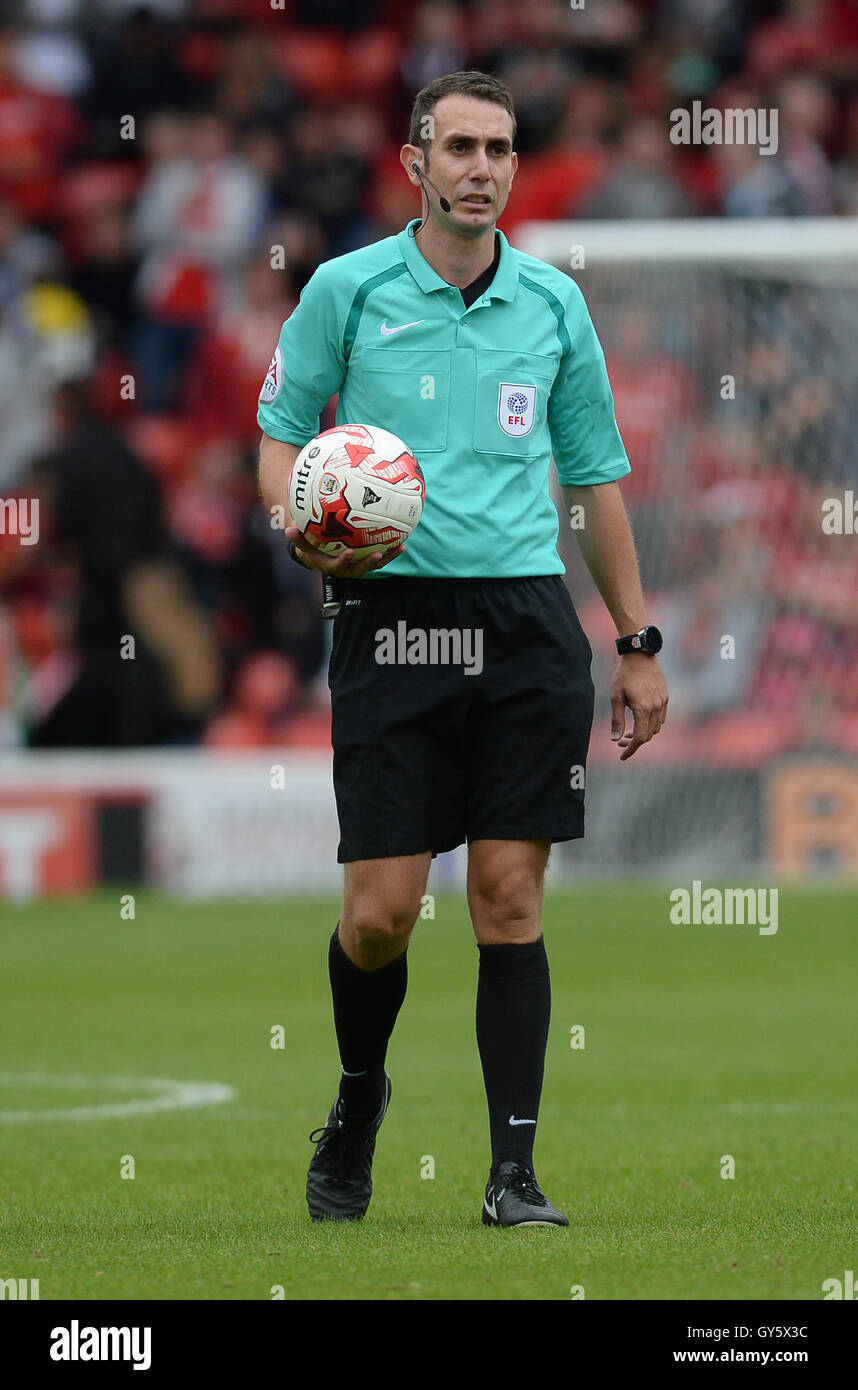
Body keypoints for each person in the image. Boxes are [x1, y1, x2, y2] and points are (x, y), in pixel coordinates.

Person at [257, 71, 668, 1228]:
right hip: (391, 622)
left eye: (500, 148)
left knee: (508, 899)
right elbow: (281, 432)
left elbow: (592, 481)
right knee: (381, 914)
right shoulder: (345, 290)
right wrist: (303, 533)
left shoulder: (553, 304)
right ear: (414, 164)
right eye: (461, 148)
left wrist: (636, 642)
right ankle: (355, 1100)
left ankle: (514, 1174)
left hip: (529, 626)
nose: (483, 167)